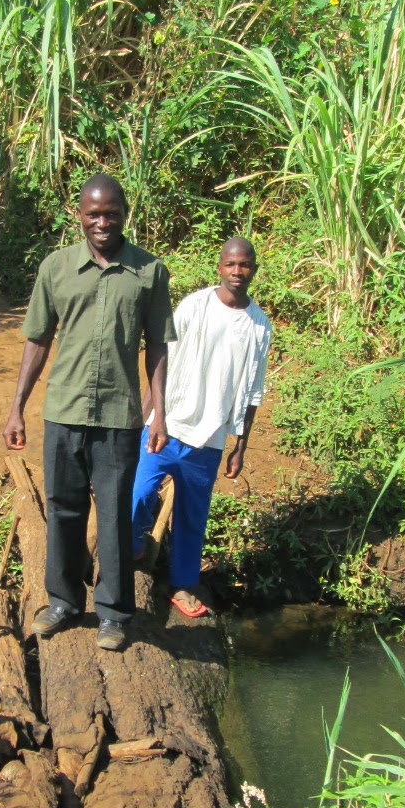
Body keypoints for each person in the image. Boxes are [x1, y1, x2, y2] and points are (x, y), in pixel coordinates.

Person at [3, 174, 174, 651]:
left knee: (116, 514)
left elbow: (157, 345)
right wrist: (17, 407)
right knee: (63, 508)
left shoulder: (149, 271)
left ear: (124, 213)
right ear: (78, 215)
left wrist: (159, 410)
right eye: (93, 213)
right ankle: (63, 601)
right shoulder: (56, 268)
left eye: (111, 213)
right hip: (63, 410)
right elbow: (38, 340)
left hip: (119, 416)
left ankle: (115, 613)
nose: (103, 222)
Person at [131, 237, 272, 617]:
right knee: (139, 493)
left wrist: (240, 445)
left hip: (209, 439)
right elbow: (160, 360)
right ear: (219, 267)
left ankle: (183, 585)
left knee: (193, 516)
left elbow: (253, 391)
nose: (237, 272)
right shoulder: (194, 306)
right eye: (230, 264)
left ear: (254, 269)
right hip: (168, 424)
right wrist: (145, 419)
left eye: (244, 265)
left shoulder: (259, 326)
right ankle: (132, 547)